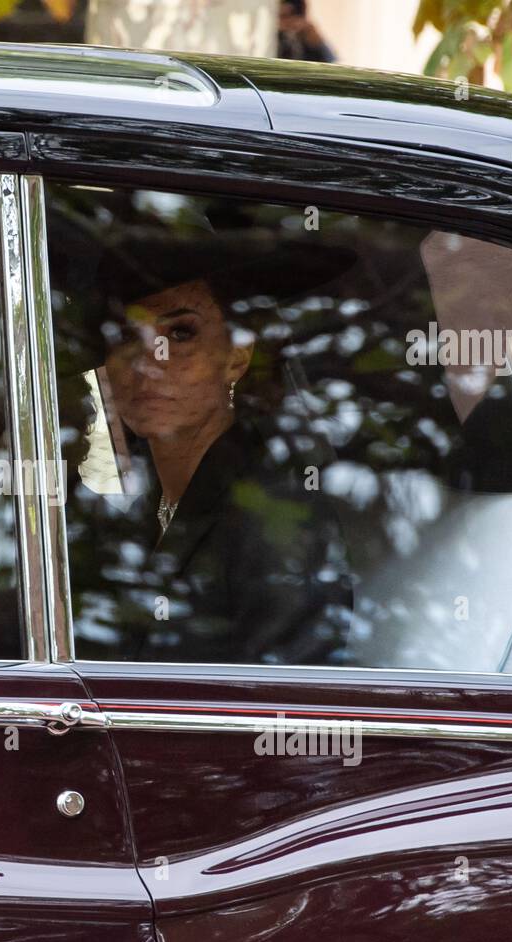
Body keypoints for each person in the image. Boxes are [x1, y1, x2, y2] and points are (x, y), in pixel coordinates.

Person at [61, 219, 354, 666]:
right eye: (125, 336)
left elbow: (287, 687)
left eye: (180, 334)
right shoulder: (114, 495)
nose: (147, 362)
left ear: (236, 357)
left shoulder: (272, 518)